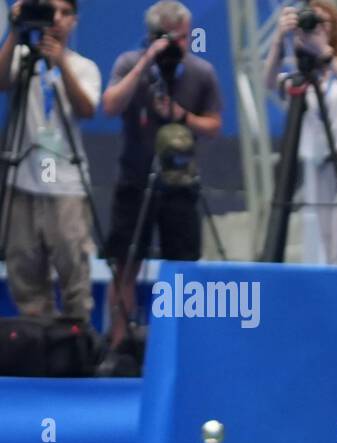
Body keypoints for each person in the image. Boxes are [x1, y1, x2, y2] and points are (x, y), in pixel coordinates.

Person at [101, 0, 221, 349]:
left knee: (182, 268)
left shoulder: (202, 73)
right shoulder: (129, 63)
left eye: (183, 39)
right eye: (168, 39)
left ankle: (179, 346)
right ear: (151, 36)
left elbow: (214, 125)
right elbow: (109, 105)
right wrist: (145, 63)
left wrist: (181, 115)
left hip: (180, 183)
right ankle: (118, 345)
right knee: (124, 264)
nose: (176, 46)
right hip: (135, 179)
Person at [0, 0, 100, 322]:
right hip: (24, 184)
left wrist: (60, 65)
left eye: (65, 13)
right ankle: (36, 340)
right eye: (50, 11)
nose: (56, 19)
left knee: (74, 269)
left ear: (75, 21)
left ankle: (76, 342)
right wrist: (15, 34)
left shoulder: (83, 67)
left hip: (66, 186)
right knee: (24, 273)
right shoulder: (20, 59)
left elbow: (86, 109)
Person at [265, 1, 337, 266]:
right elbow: (270, 83)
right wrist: (278, 39)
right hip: (323, 166)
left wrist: (324, 52)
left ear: (335, 27)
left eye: (321, 23)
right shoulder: (309, 75)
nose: (314, 29)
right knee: (330, 252)